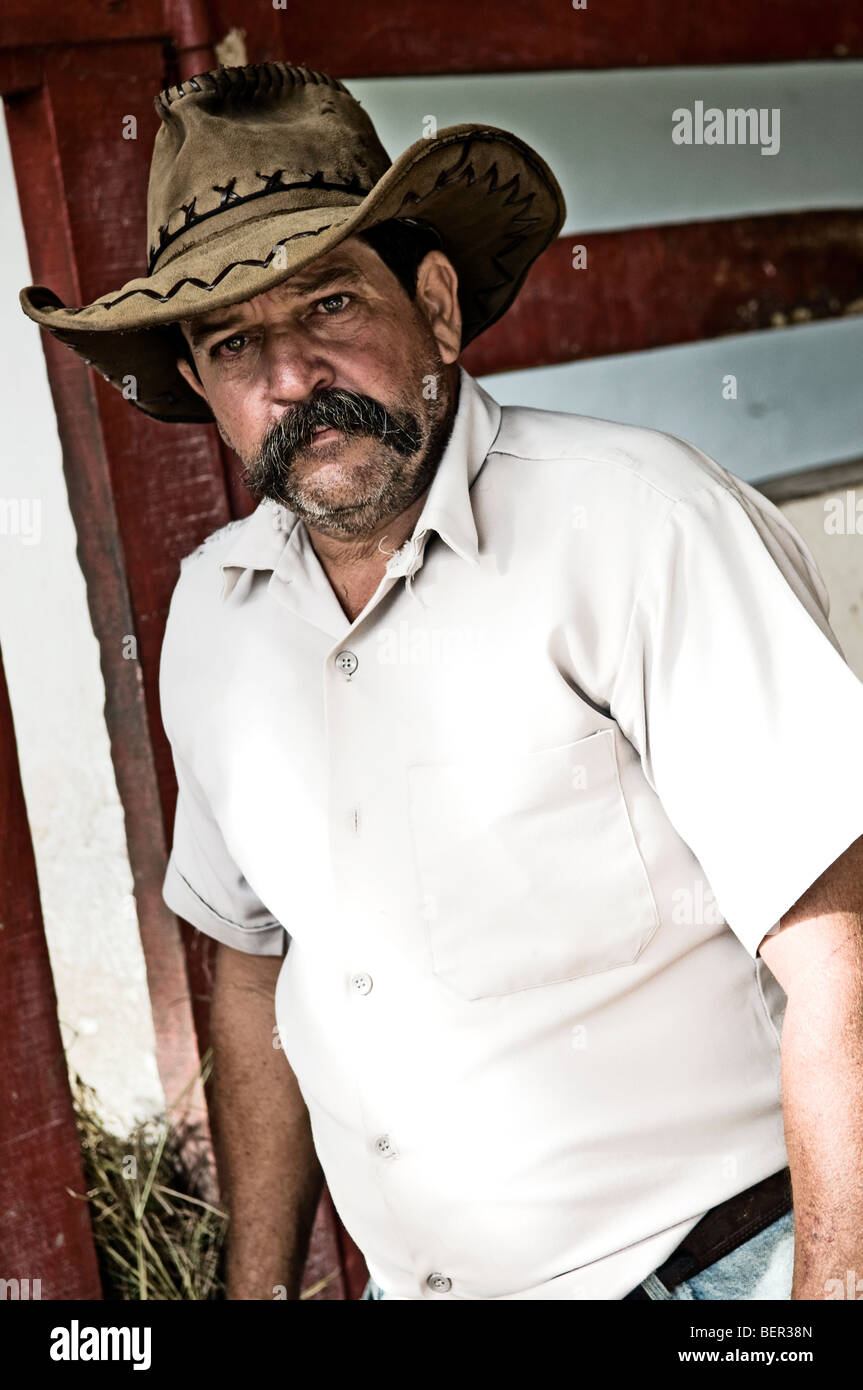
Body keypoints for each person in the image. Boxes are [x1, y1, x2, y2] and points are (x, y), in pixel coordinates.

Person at [20, 60, 863, 1302]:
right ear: (200, 388)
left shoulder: (636, 523)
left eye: (328, 307)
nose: (292, 379)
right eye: (234, 342)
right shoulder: (215, 614)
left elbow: (840, 954)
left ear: (435, 307)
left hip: (724, 1270)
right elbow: (257, 969)